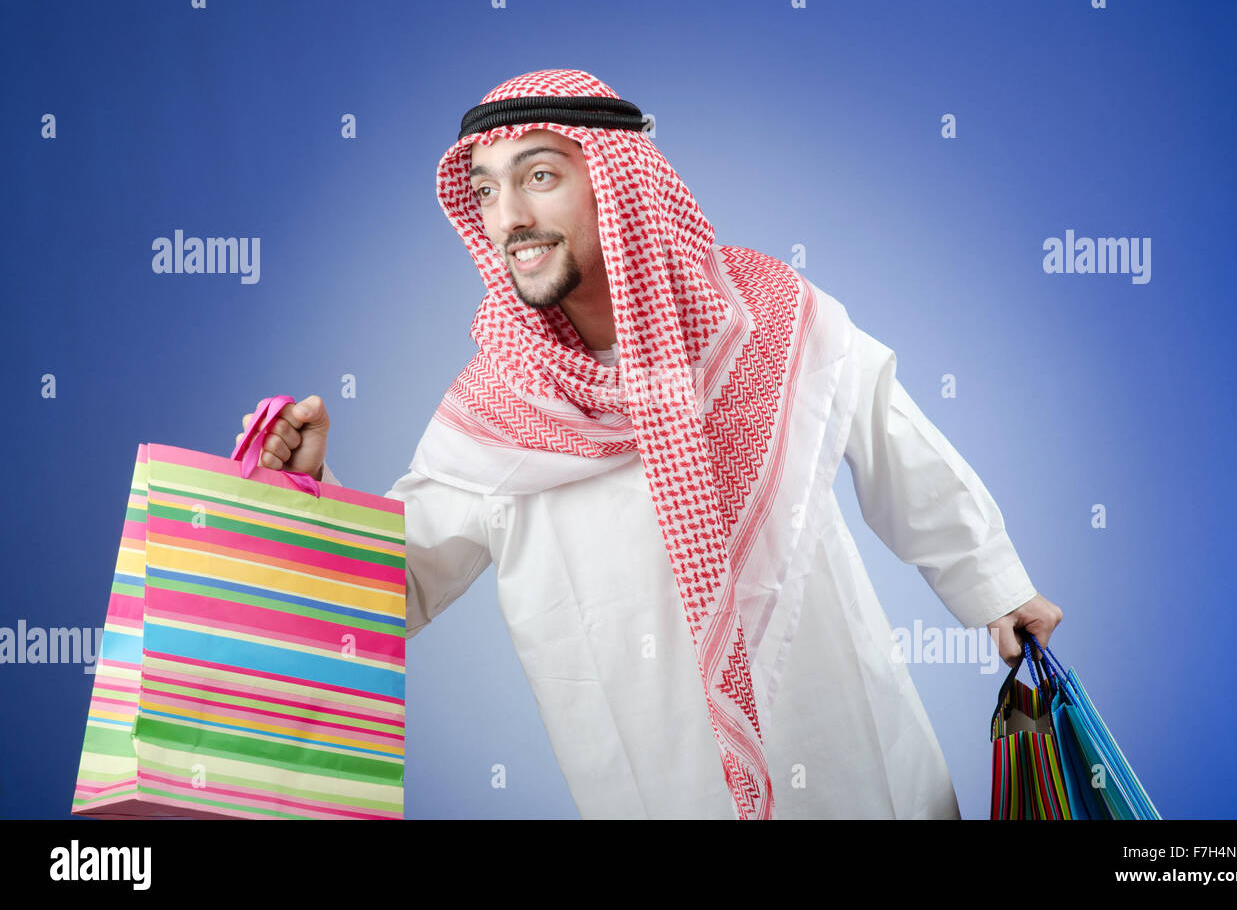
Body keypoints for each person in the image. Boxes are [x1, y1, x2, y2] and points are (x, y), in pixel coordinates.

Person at [236, 68, 1063, 819]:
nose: (510, 217)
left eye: (541, 177)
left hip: (865, 774)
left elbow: (894, 441)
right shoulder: (497, 409)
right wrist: (311, 495)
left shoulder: (771, 316)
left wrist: (993, 584)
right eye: (486, 191)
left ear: (622, 185)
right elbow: (395, 584)